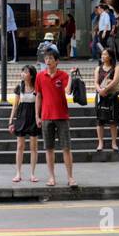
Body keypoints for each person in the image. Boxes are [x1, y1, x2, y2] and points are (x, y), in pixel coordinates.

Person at [34, 49, 76, 187]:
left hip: (62, 116)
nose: (48, 61)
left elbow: (68, 91)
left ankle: (70, 177)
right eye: (46, 58)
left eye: (51, 58)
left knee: (66, 148)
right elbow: (39, 96)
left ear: (57, 61)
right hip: (46, 116)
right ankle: (51, 177)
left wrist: (70, 76)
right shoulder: (40, 76)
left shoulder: (62, 75)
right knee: (49, 149)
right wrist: (37, 115)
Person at [9, 64, 40, 183]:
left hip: (33, 118)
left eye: (25, 72)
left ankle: (32, 174)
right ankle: (18, 173)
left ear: (31, 75)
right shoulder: (19, 87)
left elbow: (39, 104)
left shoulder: (37, 87)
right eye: (22, 71)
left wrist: (38, 118)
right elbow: (15, 105)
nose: (23, 74)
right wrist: (11, 120)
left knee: (33, 147)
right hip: (21, 118)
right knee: (20, 146)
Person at [94, 47, 119, 152]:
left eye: (105, 54)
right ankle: (100, 143)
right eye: (102, 54)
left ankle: (114, 143)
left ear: (110, 56)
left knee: (113, 121)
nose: (103, 56)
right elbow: (96, 82)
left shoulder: (116, 67)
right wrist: (99, 90)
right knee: (100, 120)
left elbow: (115, 81)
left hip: (112, 96)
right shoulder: (98, 68)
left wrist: (105, 89)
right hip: (101, 96)